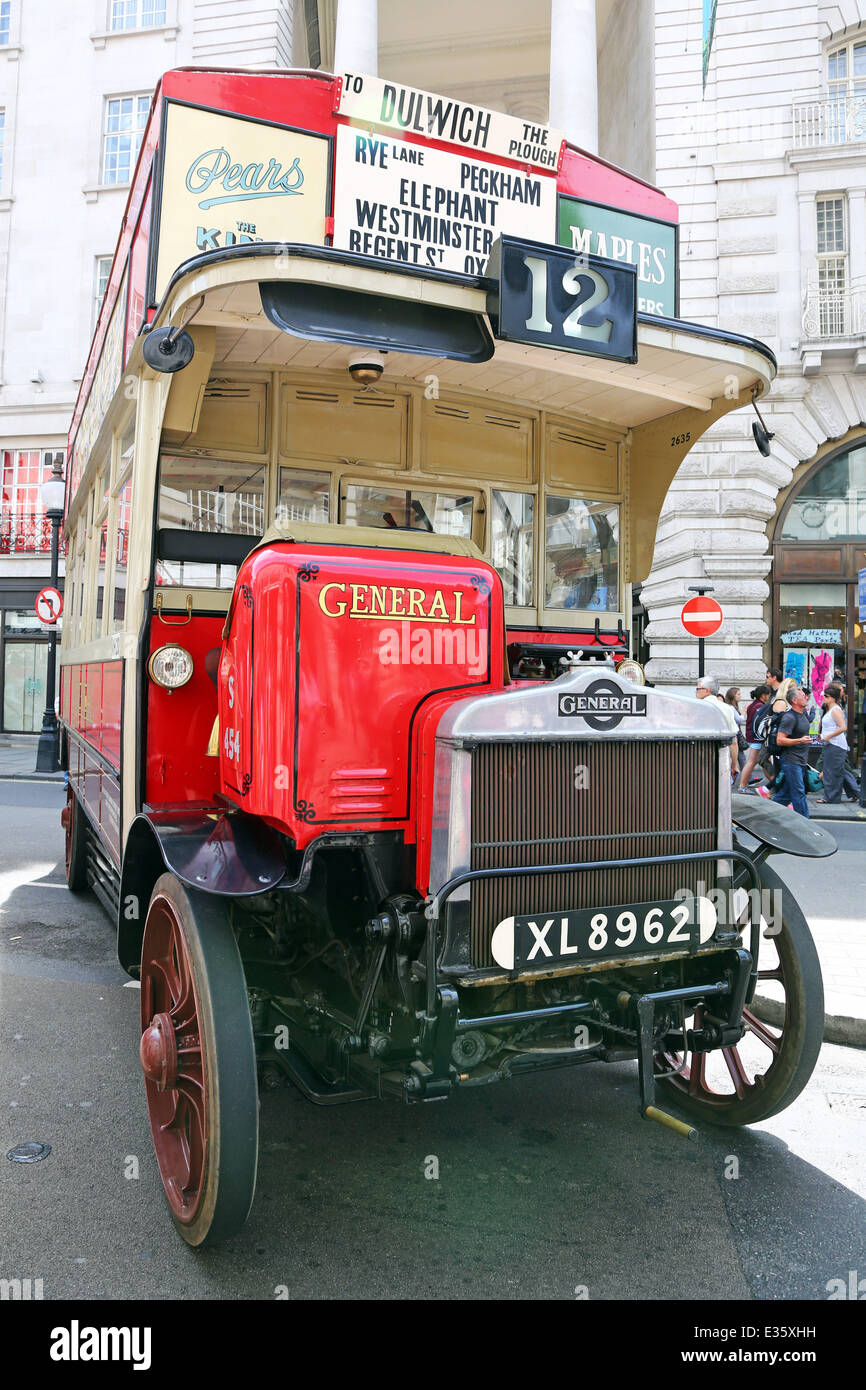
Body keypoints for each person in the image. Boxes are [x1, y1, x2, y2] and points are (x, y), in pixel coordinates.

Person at [772, 686, 813, 818]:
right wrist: (800, 740)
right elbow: (780, 740)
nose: (806, 697)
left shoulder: (803, 714)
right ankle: (806, 824)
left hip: (800, 760)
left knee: (785, 795)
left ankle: (762, 816)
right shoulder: (789, 718)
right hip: (791, 761)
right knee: (799, 792)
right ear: (795, 700)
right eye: (802, 696)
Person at [818, 682, 860, 804]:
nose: (824, 698)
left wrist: (827, 737)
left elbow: (843, 727)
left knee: (832, 772)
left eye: (827, 696)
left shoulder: (835, 710)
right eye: (824, 695)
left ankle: (830, 798)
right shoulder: (830, 709)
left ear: (833, 698)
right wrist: (822, 735)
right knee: (839, 771)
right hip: (832, 744)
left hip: (835, 745)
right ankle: (856, 793)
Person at [696, 675, 738, 780]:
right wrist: (734, 765)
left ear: (707, 690)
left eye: (697, 689)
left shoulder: (697, 707)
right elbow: (733, 741)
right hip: (721, 756)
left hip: (698, 756)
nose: (695, 691)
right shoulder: (727, 708)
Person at [737, 683, 771, 791]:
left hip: (753, 737)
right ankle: (742, 786)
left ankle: (774, 783)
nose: (769, 697)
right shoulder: (760, 706)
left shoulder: (753, 705)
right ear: (763, 695)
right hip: (757, 738)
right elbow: (760, 724)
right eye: (768, 695)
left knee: (765, 761)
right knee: (753, 762)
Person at [724, 686, 747, 772]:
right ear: (733, 696)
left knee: (741, 757)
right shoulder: (731, 708)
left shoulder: (732, 707)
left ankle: (749, 777)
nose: (740, 696)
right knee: (739, 757)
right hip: (734, 734)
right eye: (738, 694)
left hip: (734, 733)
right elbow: (739, 720)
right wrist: (745, 711)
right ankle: (747, 777)